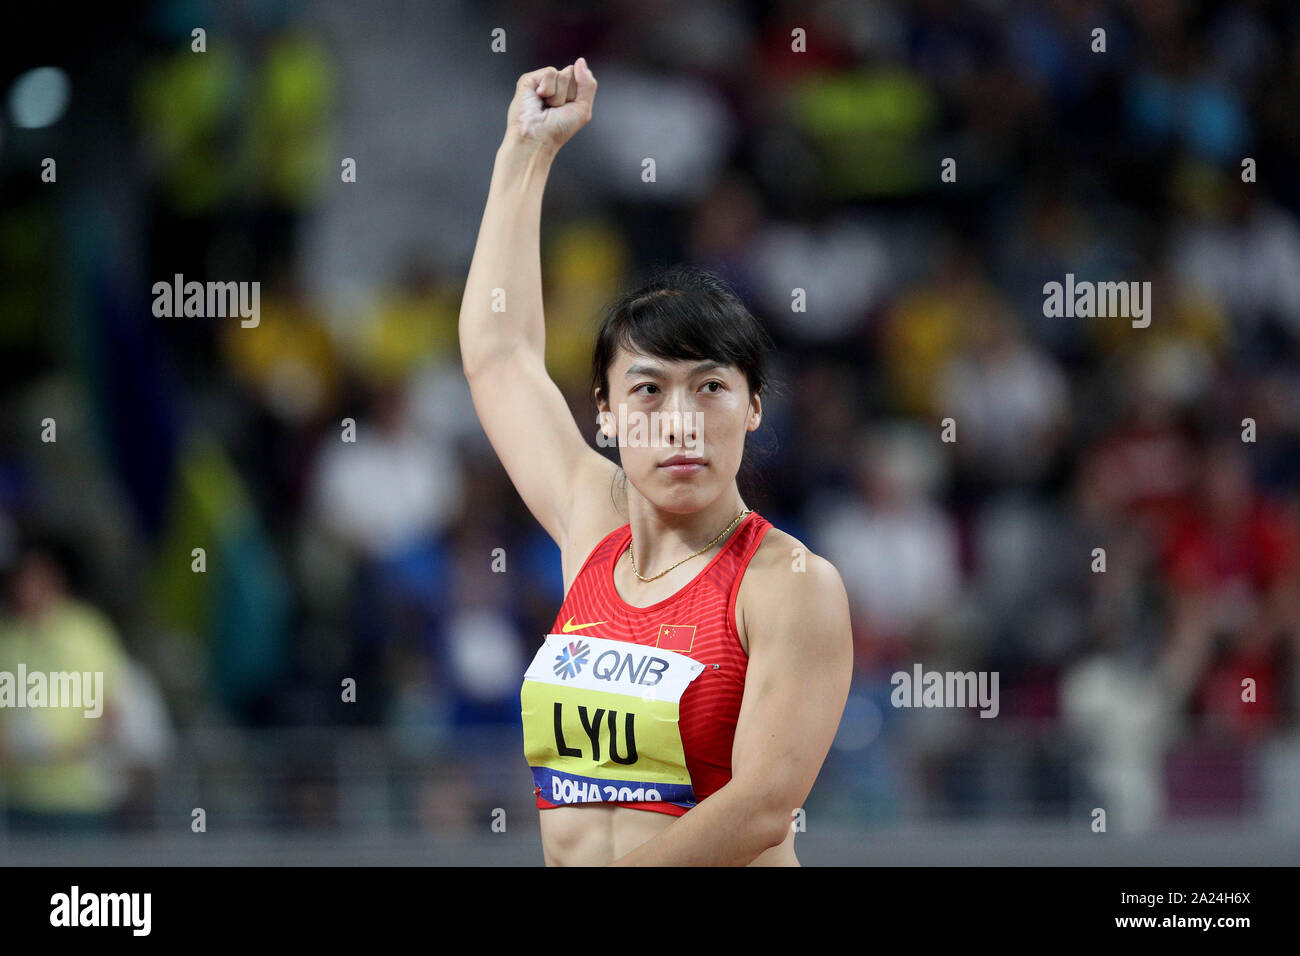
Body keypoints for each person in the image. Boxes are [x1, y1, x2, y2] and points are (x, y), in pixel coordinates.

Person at [459, 57, 852, 866]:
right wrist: (523, 154)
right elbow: (499, 354)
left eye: (710, 388)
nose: (681, 422)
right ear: (602, 414)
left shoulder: (789, 584)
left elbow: (763, 806)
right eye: (648, 390)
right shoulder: (588, 523)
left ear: (753, 407)